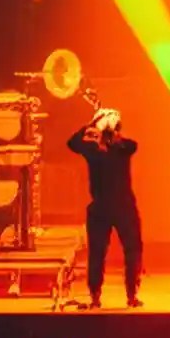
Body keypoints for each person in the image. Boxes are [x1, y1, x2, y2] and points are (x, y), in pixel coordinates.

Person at [68, 107, 143, 309]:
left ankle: (132, 293)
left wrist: (112, 132)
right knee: (97, 252)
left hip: (124, 205)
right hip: (100, 206)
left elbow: (132, 145)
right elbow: (72, 143)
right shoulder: (92, 149)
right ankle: (95, 295)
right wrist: (93, 124)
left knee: (133, 248)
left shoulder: (122, 147)